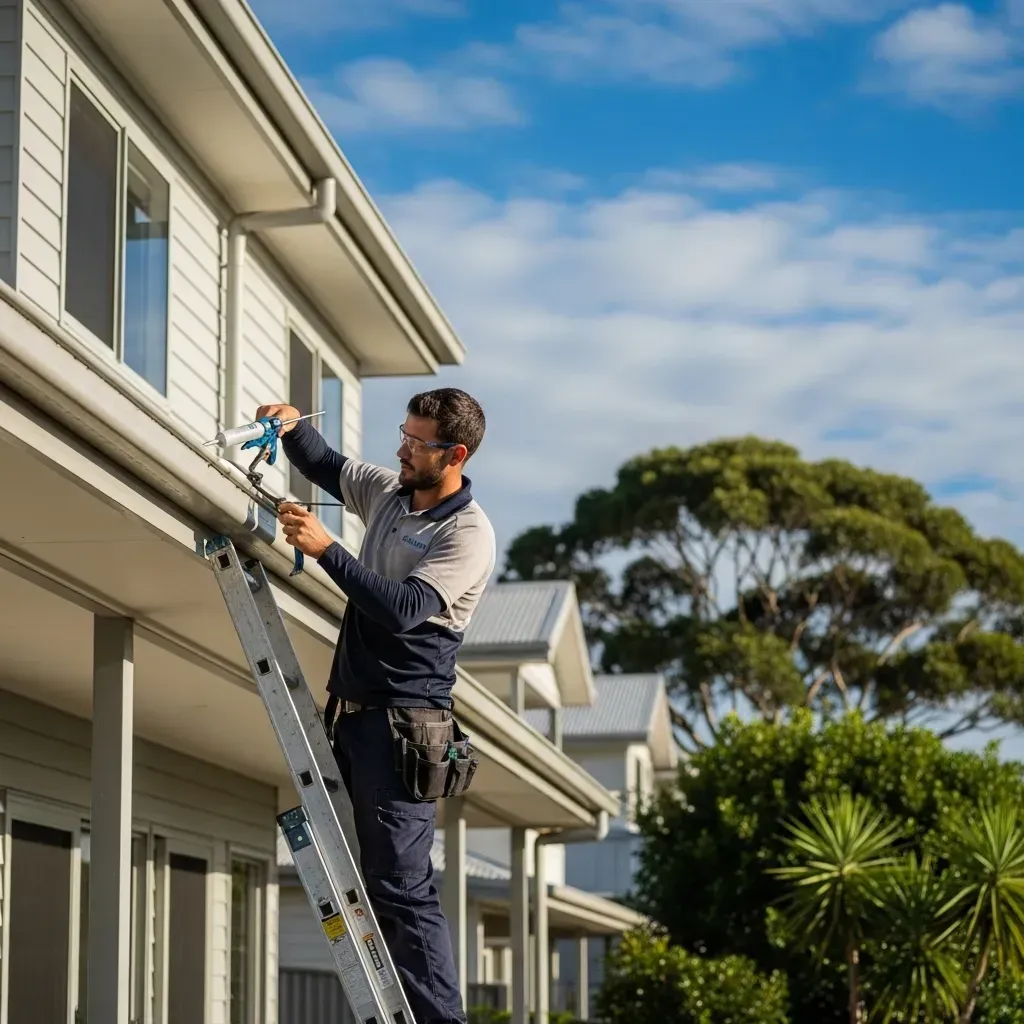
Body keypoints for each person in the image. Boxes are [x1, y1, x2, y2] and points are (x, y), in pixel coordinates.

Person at [255, 387, 495, 1024]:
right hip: (353, 717)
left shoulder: (469, 533)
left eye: (420, 443)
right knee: (360, 885)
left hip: (406, 729)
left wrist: (326, 549)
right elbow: (326, 464)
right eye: (405, 433)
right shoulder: (390, 491)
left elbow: (403, 611)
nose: (403, 449)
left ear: (456, 454)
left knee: (402, 891)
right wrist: (288, 425)